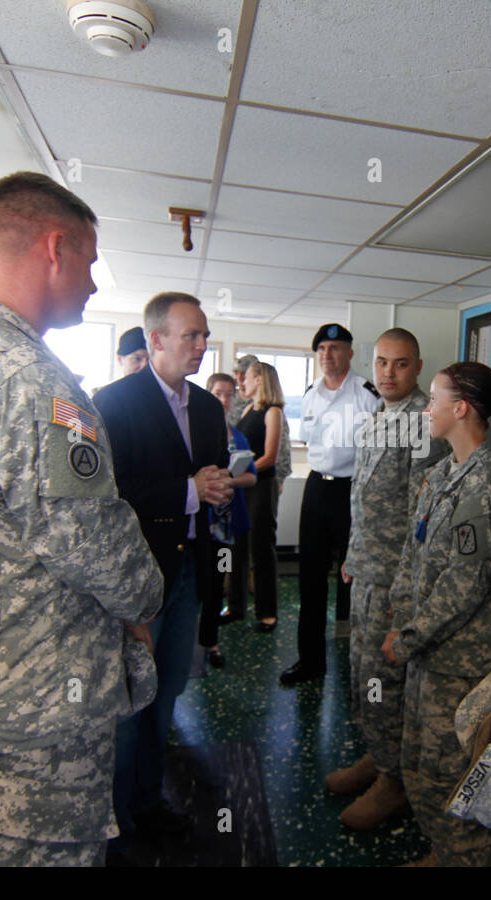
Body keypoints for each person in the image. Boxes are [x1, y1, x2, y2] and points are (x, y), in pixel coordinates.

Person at [0, 171, 165, 867]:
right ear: (55, 247)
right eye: (87, 261)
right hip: (40, 709)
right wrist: (146, 599)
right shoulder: (31, 378)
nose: (92, 283)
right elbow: (87, 540)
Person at [93, 292, 232, 847]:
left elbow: (208, 476)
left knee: (167, 694)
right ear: (155, 341)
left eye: (204, 336)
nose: (202, 346)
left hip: (190, 573)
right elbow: (107, 496)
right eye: (191, 335)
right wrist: (189, 492)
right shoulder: (113, 403)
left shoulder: (205, 407)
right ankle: (118, 824)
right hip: (137, 582)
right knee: (130, 706)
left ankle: (148, 802)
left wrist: (213, 491)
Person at [383, 361, 491, 866]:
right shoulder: (442, 473)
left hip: (457, 664)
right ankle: (443, 853)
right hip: (426, 654)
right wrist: (401, 619)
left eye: (434, 398)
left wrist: (408, 638)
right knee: (418, 765)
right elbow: (411, 553)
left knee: (452, 779)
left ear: (460, 409)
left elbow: (465, 586)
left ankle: (461, 856)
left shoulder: (485, 486)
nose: (426, 407)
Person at [328, 329, 449, 829]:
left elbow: (421, 516)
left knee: (385, 677)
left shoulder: (423, 422)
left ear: (417, 367)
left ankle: (395, 781)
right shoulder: (379, 416)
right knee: (361, 673)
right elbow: (367, 495)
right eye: (381, 363)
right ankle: (377, 757)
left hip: (395, 582)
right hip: (367, 571)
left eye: (400, 365)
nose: (387, 373)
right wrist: (353, 554)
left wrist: (406, 591)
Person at [282, 323, 381, 685]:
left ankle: (360, 667)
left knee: (358, 580)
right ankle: (310, 662)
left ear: (350, 354)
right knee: (310, 581)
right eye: (322, 348)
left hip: (353, 492)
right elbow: (310, 443)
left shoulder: (368, 395)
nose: (327, 355)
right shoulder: (310, 394)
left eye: (335, 348)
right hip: (317, 490)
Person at [199, 372, 257, 666]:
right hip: (198, 526)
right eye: (218, 393)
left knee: (217, 583)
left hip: (226, 529)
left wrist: (229, 482)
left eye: (228, 394)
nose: (223, 399)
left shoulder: (239, 436)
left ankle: (210, 643)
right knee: (195, 583)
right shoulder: (196, 432)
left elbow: (251, 476)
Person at [236, 362, 286, 633]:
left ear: (260, 379)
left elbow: (269, 457)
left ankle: (267, 612)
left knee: (261, 550)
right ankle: (235, 605)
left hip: (260, 487)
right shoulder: (247, 409)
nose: (243, 380)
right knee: (237, 548)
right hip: (241, 486)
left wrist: (240, 472)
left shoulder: (273, 412)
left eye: (248, 376)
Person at [230, 353, 257, 426]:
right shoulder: (228, 397)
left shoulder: (265, 401)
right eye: (236, 373)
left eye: (244, 373)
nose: (239, 378)